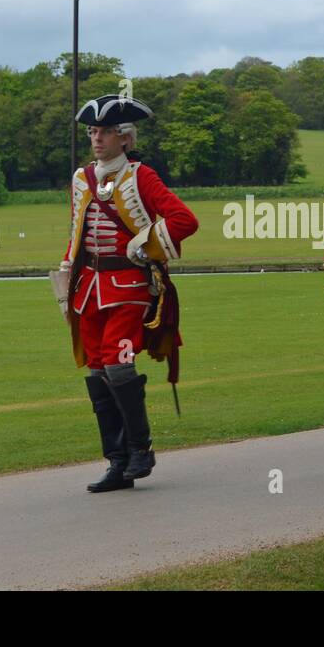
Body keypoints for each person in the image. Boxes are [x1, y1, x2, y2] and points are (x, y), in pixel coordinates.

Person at [57, 95, 199, 493]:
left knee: (119, 367)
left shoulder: (141, 177)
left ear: (125, 138)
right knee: (99, 373)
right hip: (88, 291)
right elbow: (77, 232)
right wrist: (67, 268)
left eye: (104, 132)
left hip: (129, 289)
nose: (96, 139)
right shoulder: (81, 179)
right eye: (92, 132)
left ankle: (141, 449)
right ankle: (116, 462)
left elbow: (184, 220)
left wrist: (144, 242)